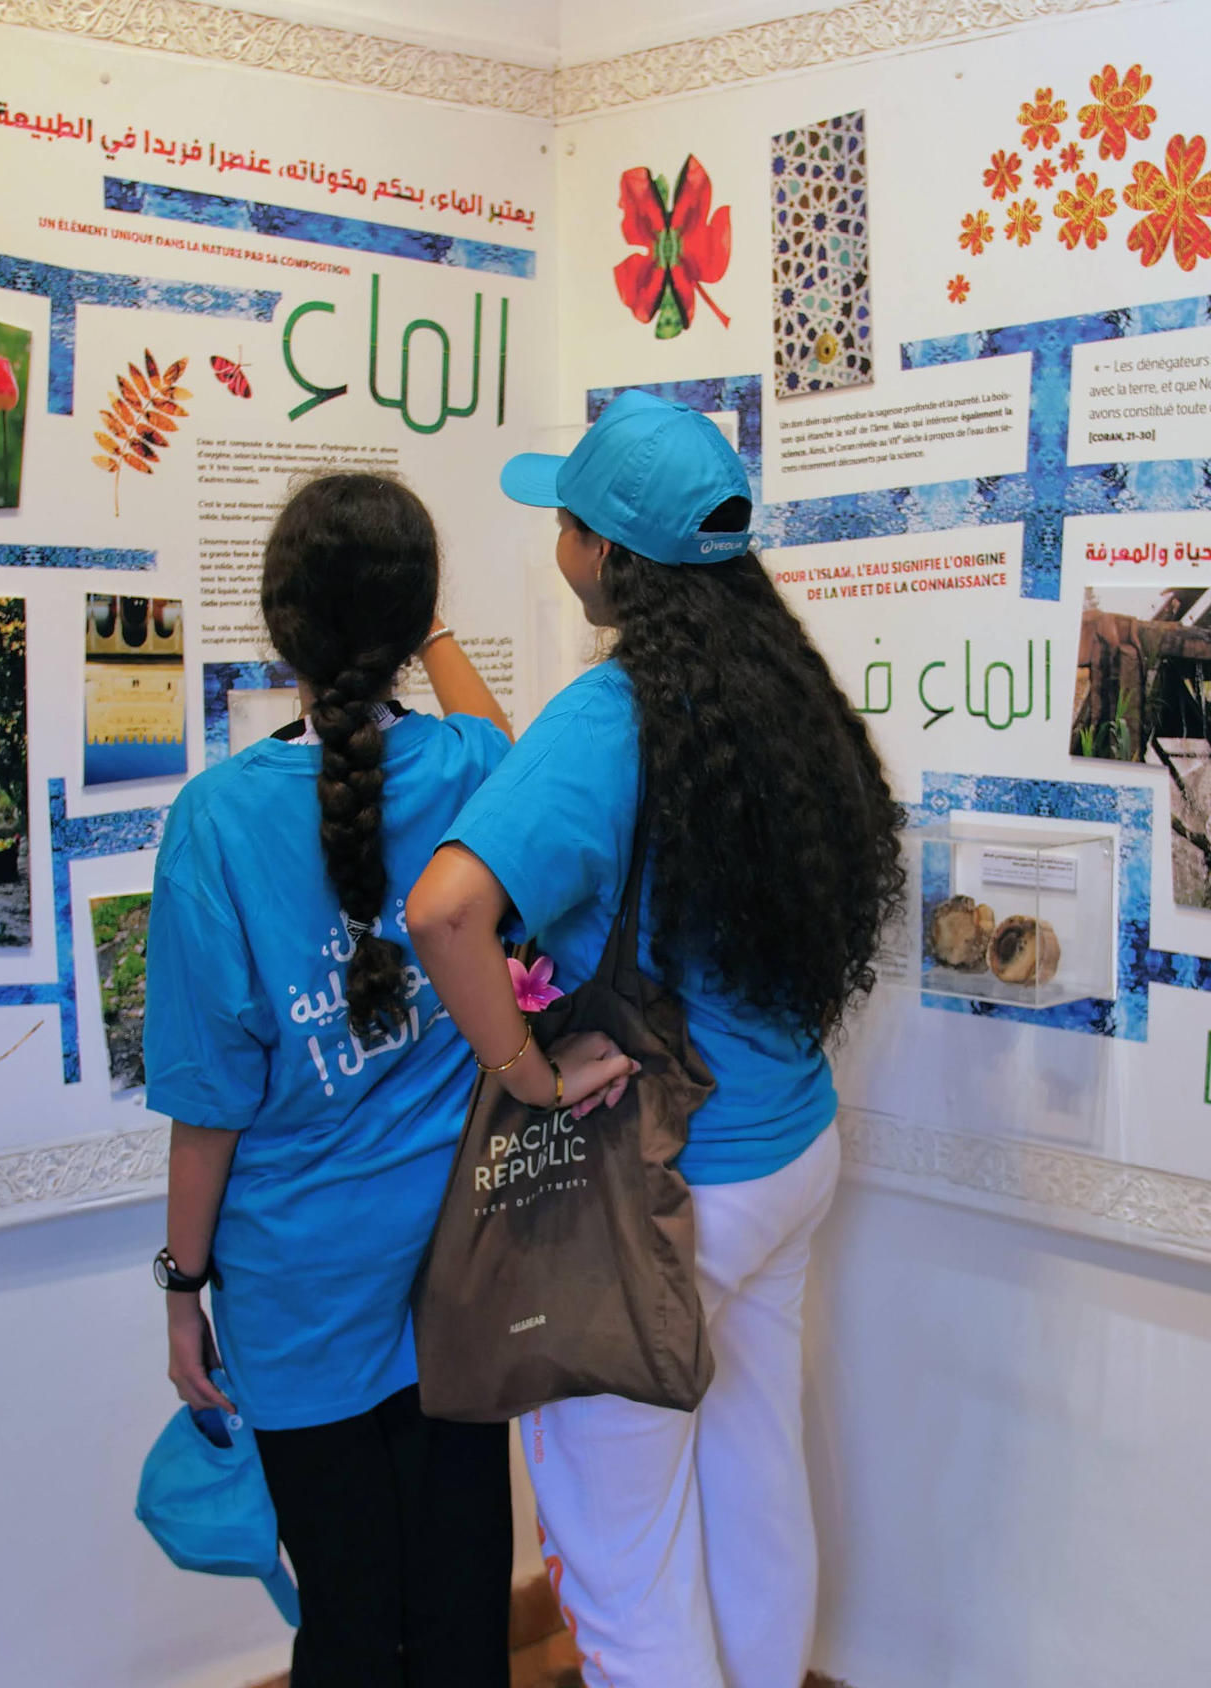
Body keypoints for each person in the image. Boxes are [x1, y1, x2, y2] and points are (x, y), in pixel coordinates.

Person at [405, 393, 907, 1688]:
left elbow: (448, 910)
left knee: (623, 1562)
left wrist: (526, 1069)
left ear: (605, 553)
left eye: (565, 518)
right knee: (754, 1482)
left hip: (662, 1197)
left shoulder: (608, 713)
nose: (557, 540)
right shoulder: (782, 701)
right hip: (786, 1157)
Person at [147, 473, 551, 1687]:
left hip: (297, 1291)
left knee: (348, 1624)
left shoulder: (214, 821)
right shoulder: (473, 768)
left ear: (280, 629)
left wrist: (182, 1286)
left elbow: (208, 1106)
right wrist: (427, 628)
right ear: (415, 620)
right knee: (468, 1609)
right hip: (457, 1276)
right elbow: (522, 753)